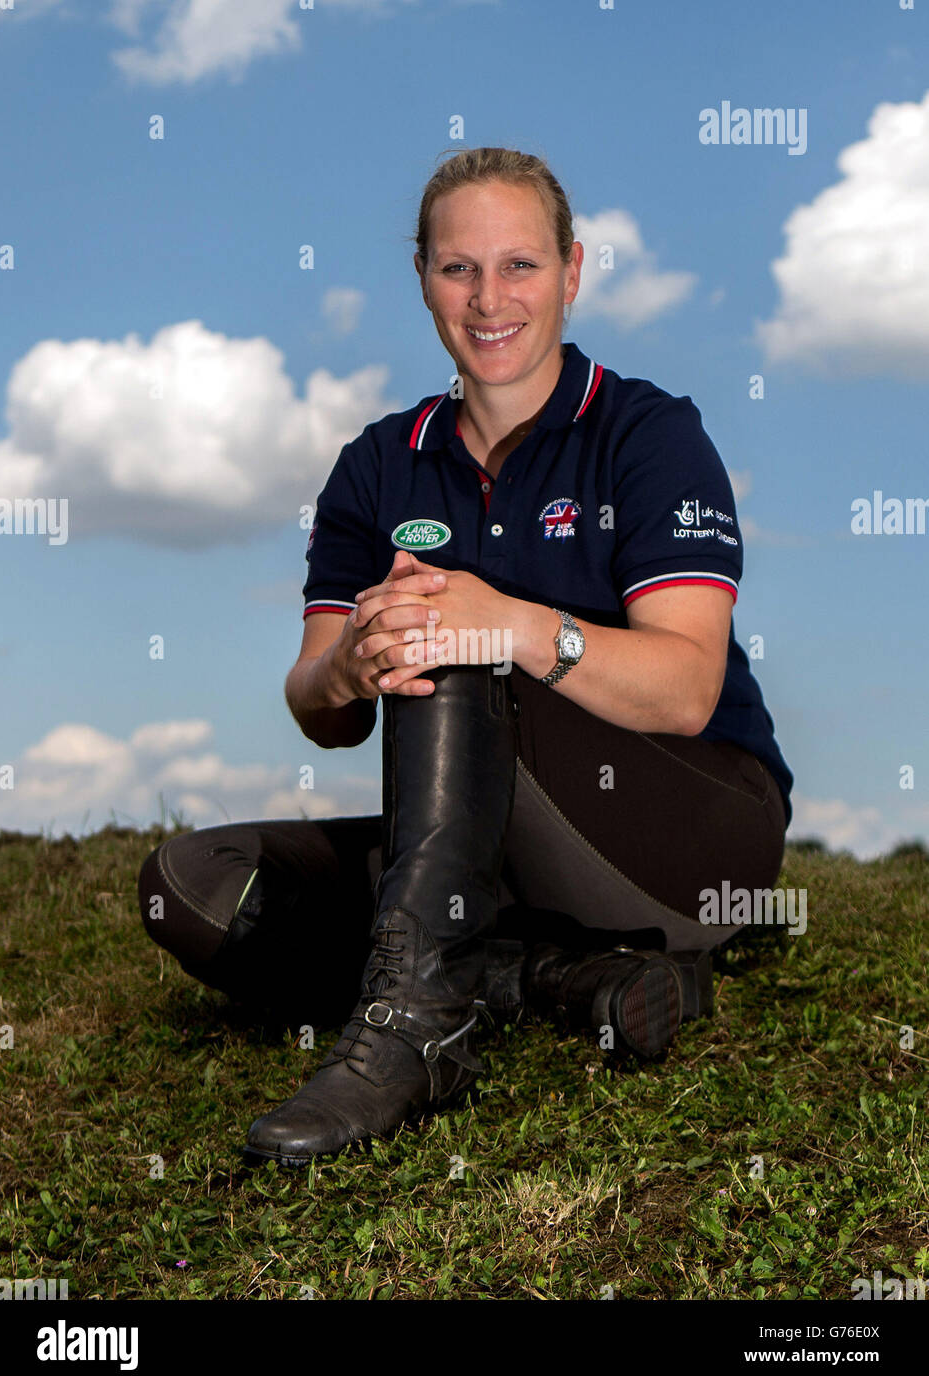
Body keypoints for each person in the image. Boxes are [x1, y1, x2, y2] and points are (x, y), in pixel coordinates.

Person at [137, 146, 793, 1169]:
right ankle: (542, 978)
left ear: (572, 274)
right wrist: (351, 662)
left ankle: (413, 1029)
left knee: (455, 637)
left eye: (521, 266)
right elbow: (318, 701)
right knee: (189, 883)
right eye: (458, 268)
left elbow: (687, 685)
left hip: (694, 835)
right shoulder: (376, 463)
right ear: (424, 278)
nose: (490, 298)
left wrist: (508, 623)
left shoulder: (647, 434)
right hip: (489, 843)